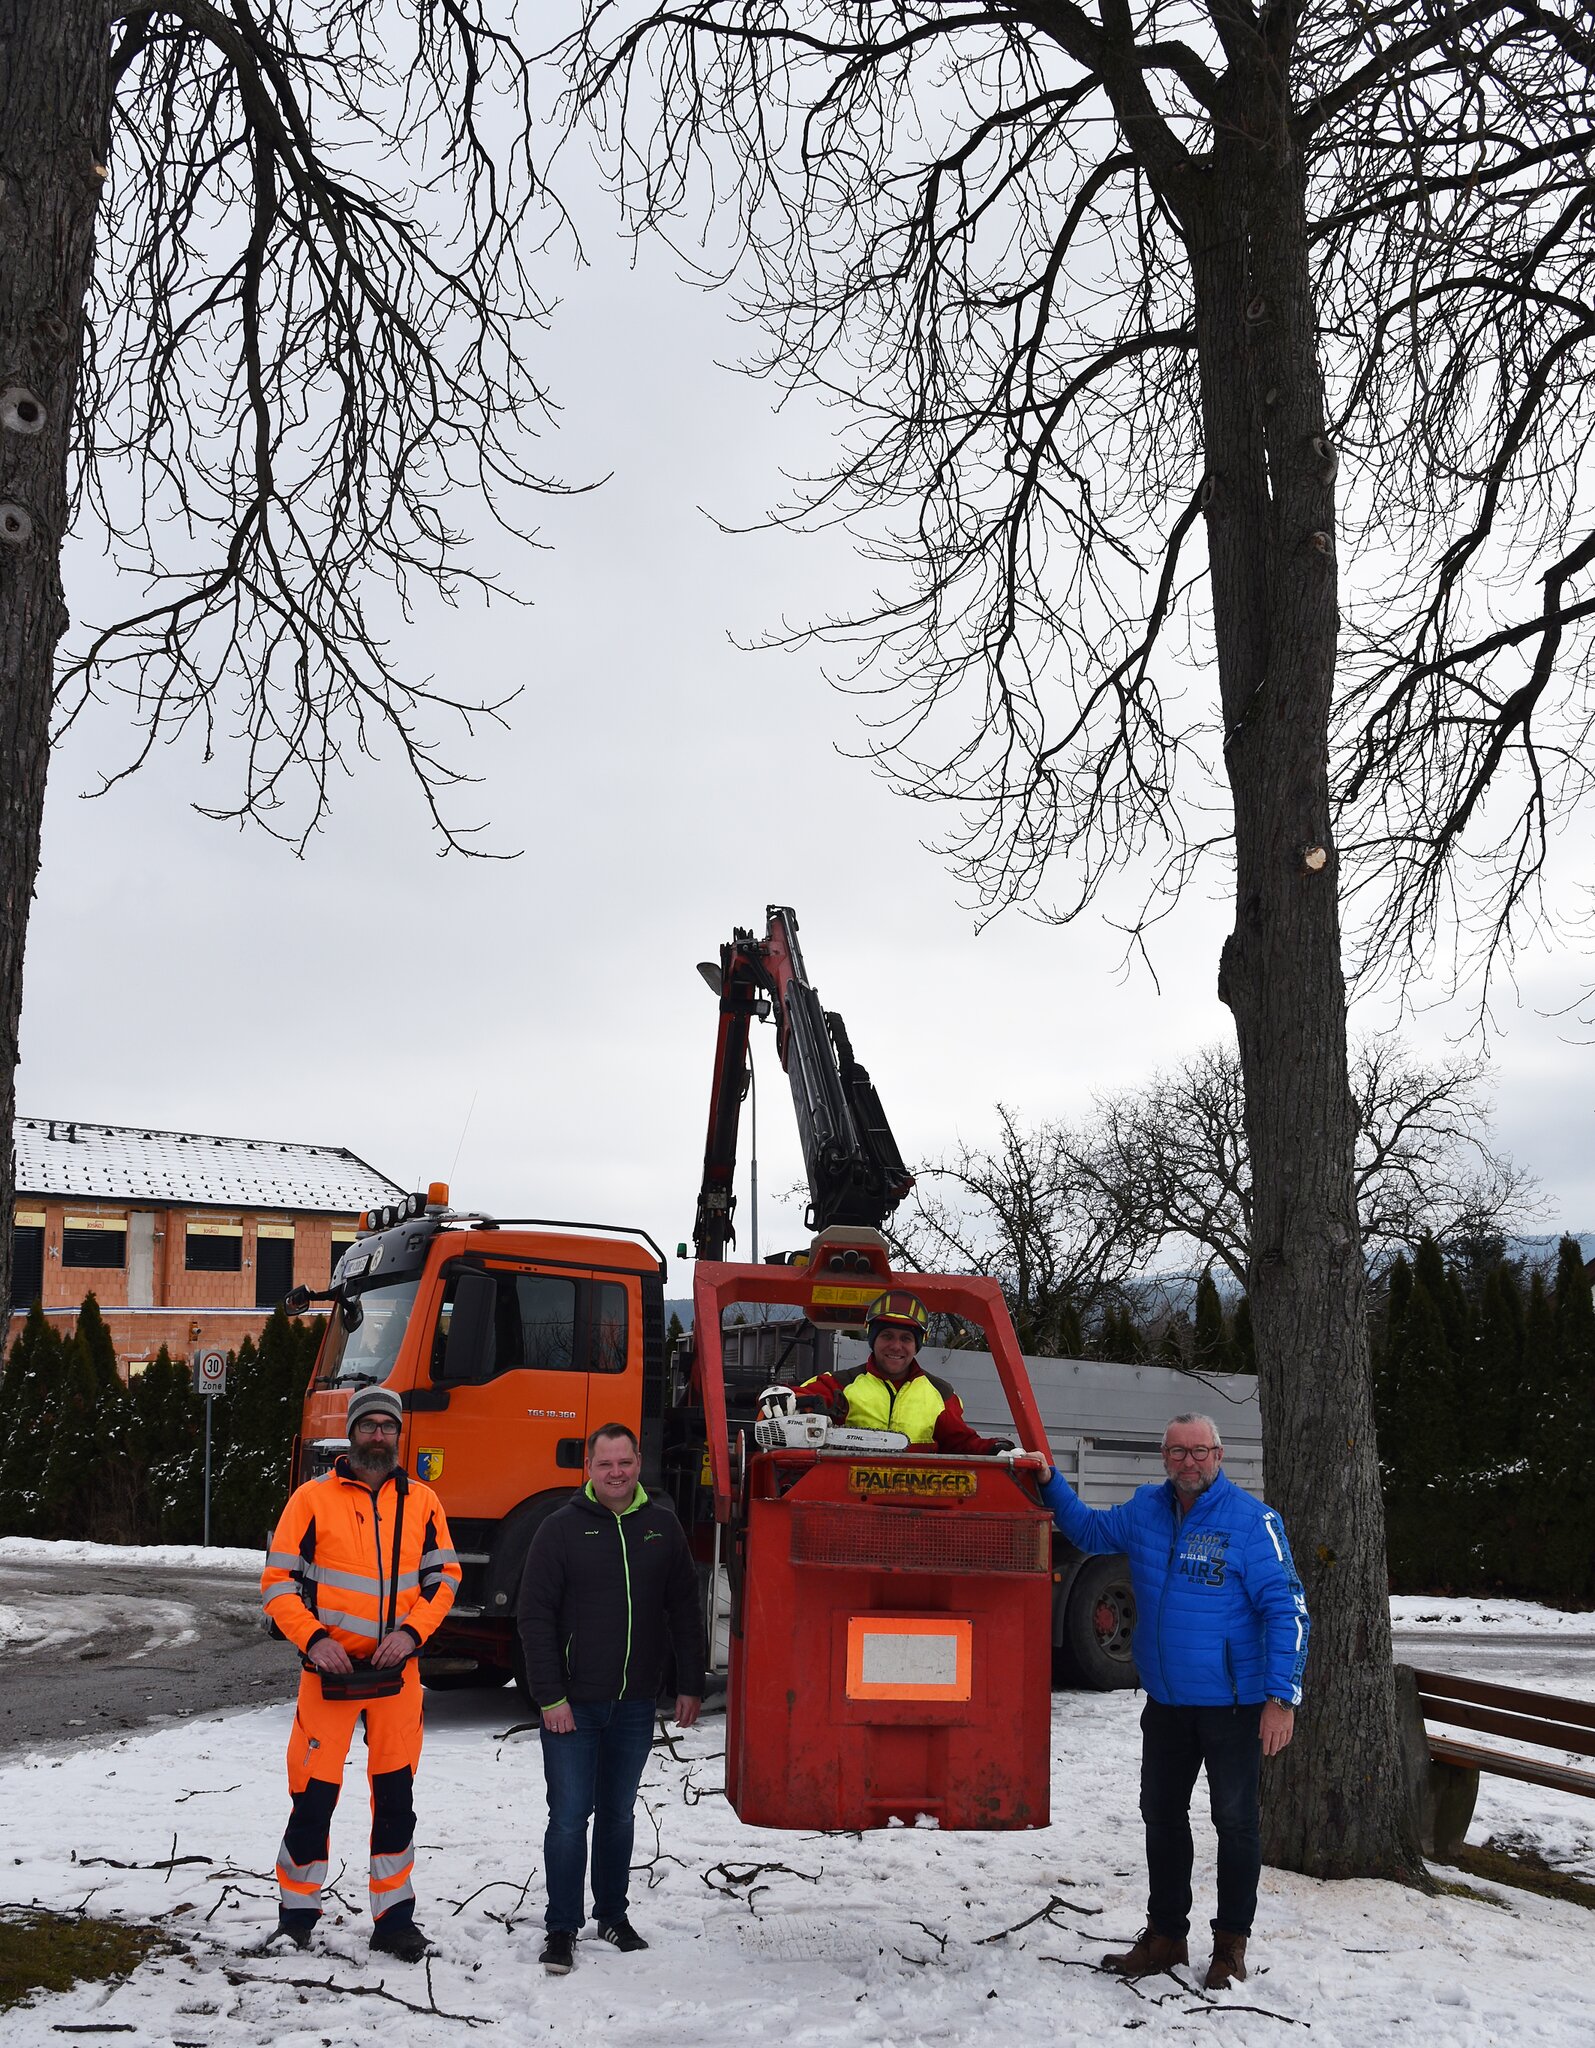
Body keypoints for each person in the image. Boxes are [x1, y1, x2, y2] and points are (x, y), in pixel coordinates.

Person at [1036, 1412, 1309, 1991]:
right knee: (1161, 1816)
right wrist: (1046, 1479)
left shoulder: (1253, 1522)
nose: (1189, 1462)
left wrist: (1281, 1698)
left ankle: (1231, 1946)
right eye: (1178, 1452)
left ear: (1219, 1454)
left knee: (1235, 1823)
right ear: (1164, 1458)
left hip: (1233, 1707)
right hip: (1166, 1705)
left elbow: (1287, 1611)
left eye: (1200, 1451)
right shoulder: (1144, 1511)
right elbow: (1086, 1530)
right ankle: (1165, 1936)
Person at [259, 1383, 462, 1963]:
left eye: (387, 1427)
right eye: (369, 1425)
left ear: (400, 1435)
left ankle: (394, 1920)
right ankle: (296, 1916)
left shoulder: (423, 1501)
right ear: (351, 1433)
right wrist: (316, 1639)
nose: (378, 1435)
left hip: (397, 1678)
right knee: (312, 1797)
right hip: (330, 1675)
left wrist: (411, 1634)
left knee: (396, 1799)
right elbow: (277, 1584)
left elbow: (444, 1579)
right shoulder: (310, 1499)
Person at [517, 1422, 706, 1976]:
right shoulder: (560, 1529)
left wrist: (689, 1682)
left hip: (633, 1705)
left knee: (619, 1815)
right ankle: (561, 1927)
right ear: (588, 1469)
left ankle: (613, 1915)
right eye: (605, 1465)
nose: (616, 1474)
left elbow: (684, 1612)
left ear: (638, 1462)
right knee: (571, 1817)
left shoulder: (662, 1527)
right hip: (573, 1707)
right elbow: (535, 1618)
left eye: (624, 1463)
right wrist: (550, 1697)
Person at [793, 1288, 1012, 1453]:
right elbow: (798, 1399)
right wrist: (779, 1397)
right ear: (874, 1340)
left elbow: (962, 1443)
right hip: (846, 1500)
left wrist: (998, 1449)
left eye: (906, 1338)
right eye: (887, 1336)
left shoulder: (940, 1393)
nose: (896, 1346)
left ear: (917, 1345)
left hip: (918, 1503)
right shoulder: (840, 1383)